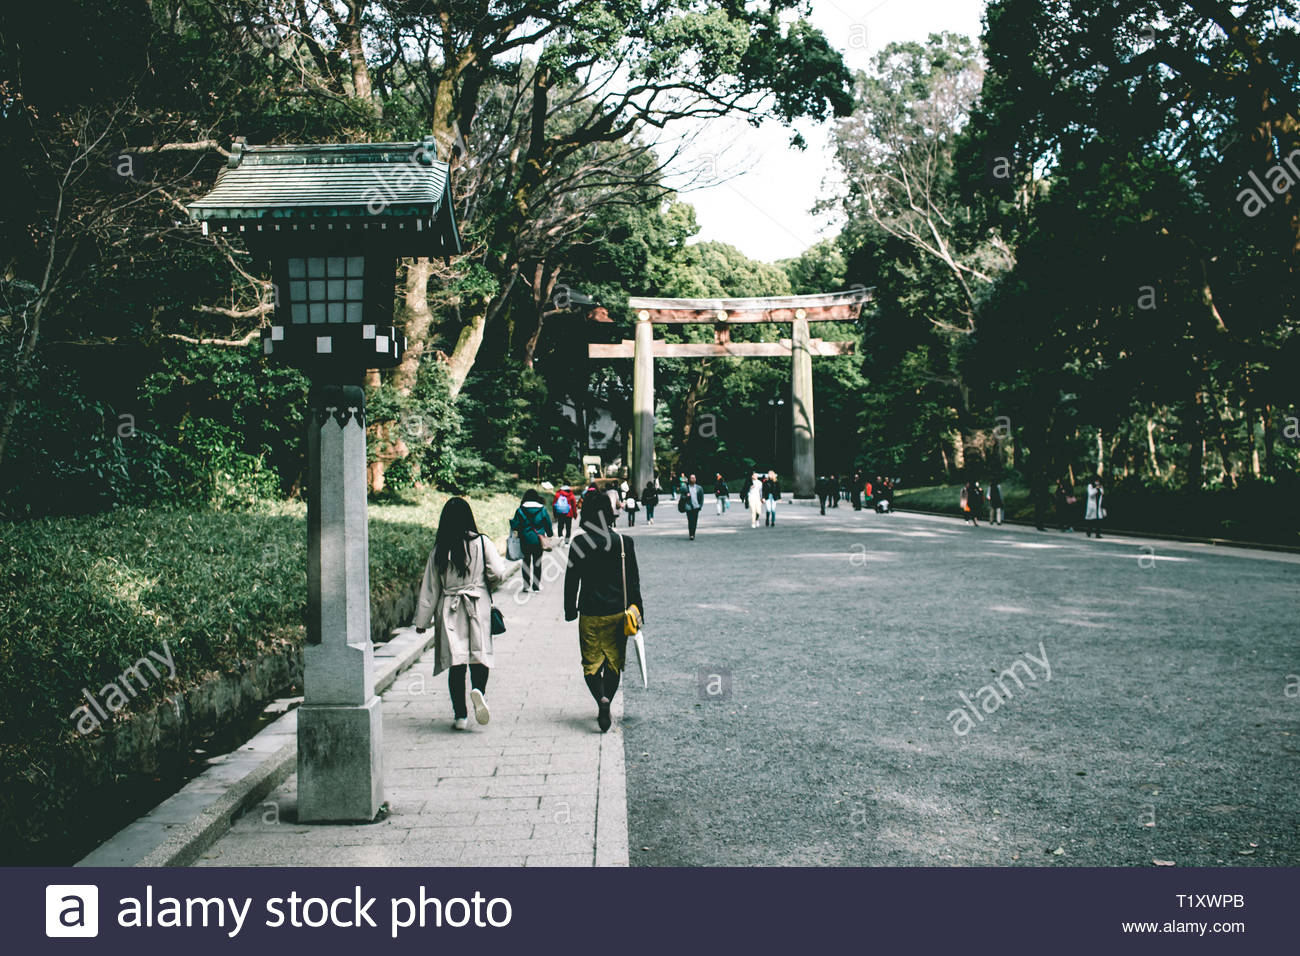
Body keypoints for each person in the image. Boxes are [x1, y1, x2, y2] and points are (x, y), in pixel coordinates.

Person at [413, 497, 508, 731]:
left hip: (450, 608)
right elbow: (498, 571)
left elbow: (430, 588)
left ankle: (460, 716)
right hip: (477, 605)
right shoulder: (482, 543)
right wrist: (486, 586)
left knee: (456, 663)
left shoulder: (440, 548)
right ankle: (479, 691)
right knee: (479, 654)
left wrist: (422, 621)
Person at [564, 490, 644, 733]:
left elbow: (571, 580)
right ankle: (607, 697)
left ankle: (600, 699)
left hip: (589, 611)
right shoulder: (623, 542)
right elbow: (633, 581)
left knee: (590, 664)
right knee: (613, 662)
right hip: (618, 612)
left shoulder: (579, 542)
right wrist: (639, 610)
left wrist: (569, 609)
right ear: (610, 513)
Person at [509, 489, 553, 591]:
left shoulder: (520, 510)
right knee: (537, 562)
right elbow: (548, 523)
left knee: (526, 562)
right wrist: (550, 534)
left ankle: (526, 585)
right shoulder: (542, 510)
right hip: (539, 540)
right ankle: (536, 586)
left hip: (525, 540)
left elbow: (515, 526)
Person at [682, 473, 705, 539]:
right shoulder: (685, 488)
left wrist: (700, 506)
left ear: (695, 479)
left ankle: (693, 533)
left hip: (696, 507)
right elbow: (682, 497)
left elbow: (701, 498)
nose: (692, 479)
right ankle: (691, 534)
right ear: (689, 479)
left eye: (694, 478)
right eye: (691, 478)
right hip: (688, 507)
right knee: (690, 521)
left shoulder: (699, 488)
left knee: (694, 521)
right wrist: (686, 496)